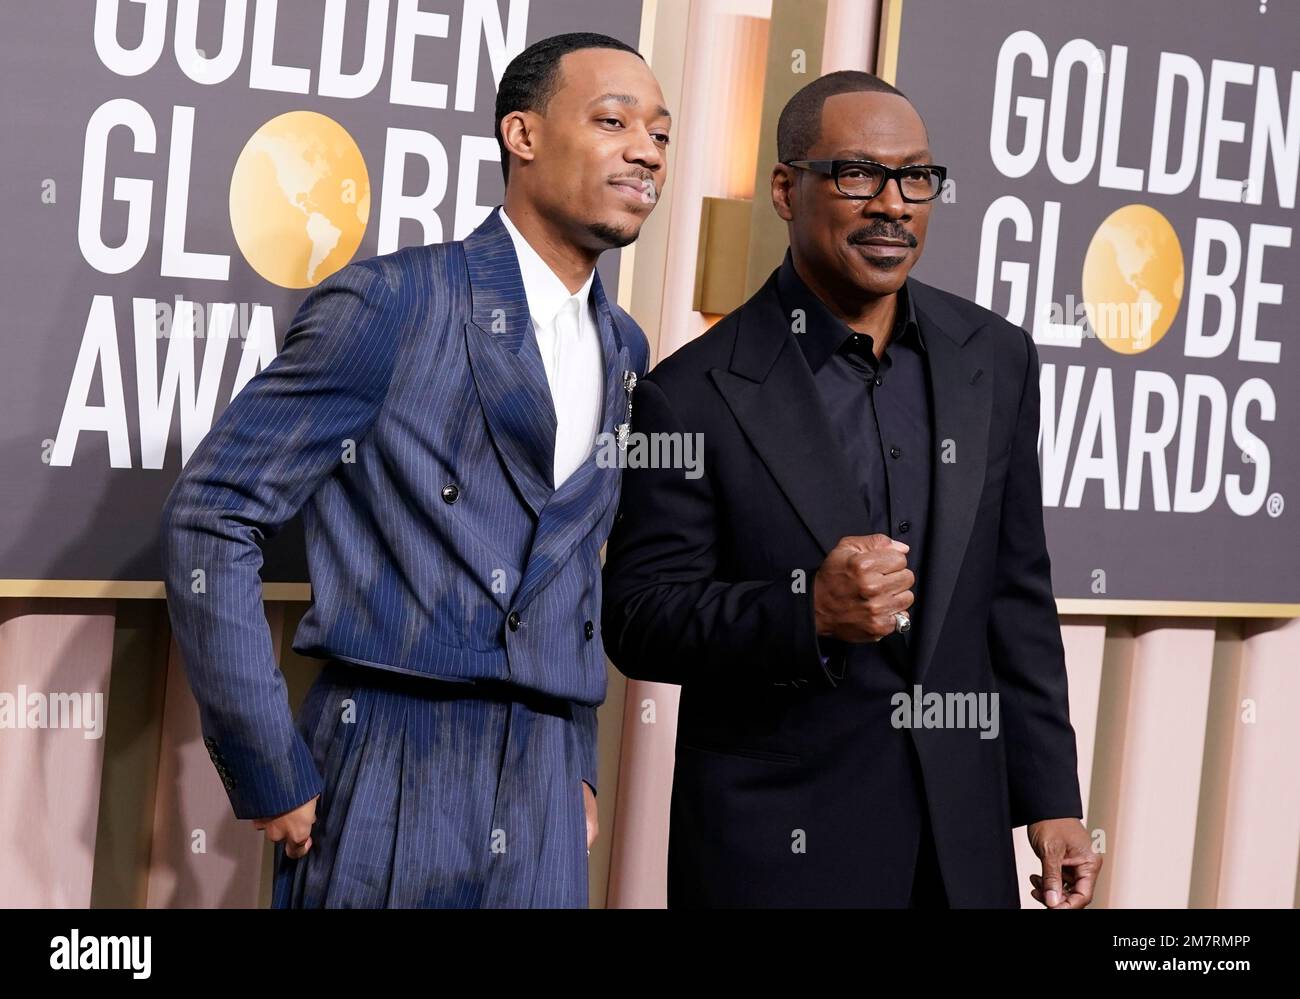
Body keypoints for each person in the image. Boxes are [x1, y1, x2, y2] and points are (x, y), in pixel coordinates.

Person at [161, 31, 669, 908]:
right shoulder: (395, 301)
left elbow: (571, 571)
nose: (645, 151)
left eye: (660, 133)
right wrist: (267, 761)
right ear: (523, 134)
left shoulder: (624, 345)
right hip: (390, 750)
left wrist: (576, 766)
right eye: (613, 120)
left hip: (544, 789)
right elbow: (211, 514)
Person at [601, 70, 1100, 908]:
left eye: (917, 178)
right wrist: (806, 614)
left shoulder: (996, 357)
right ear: (787, 190)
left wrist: (1050, 795)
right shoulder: (690, 391)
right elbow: (641, 616)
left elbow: (1015, 589)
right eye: (859, 175)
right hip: (777, 853)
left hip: (960, 841)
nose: (894, 205)